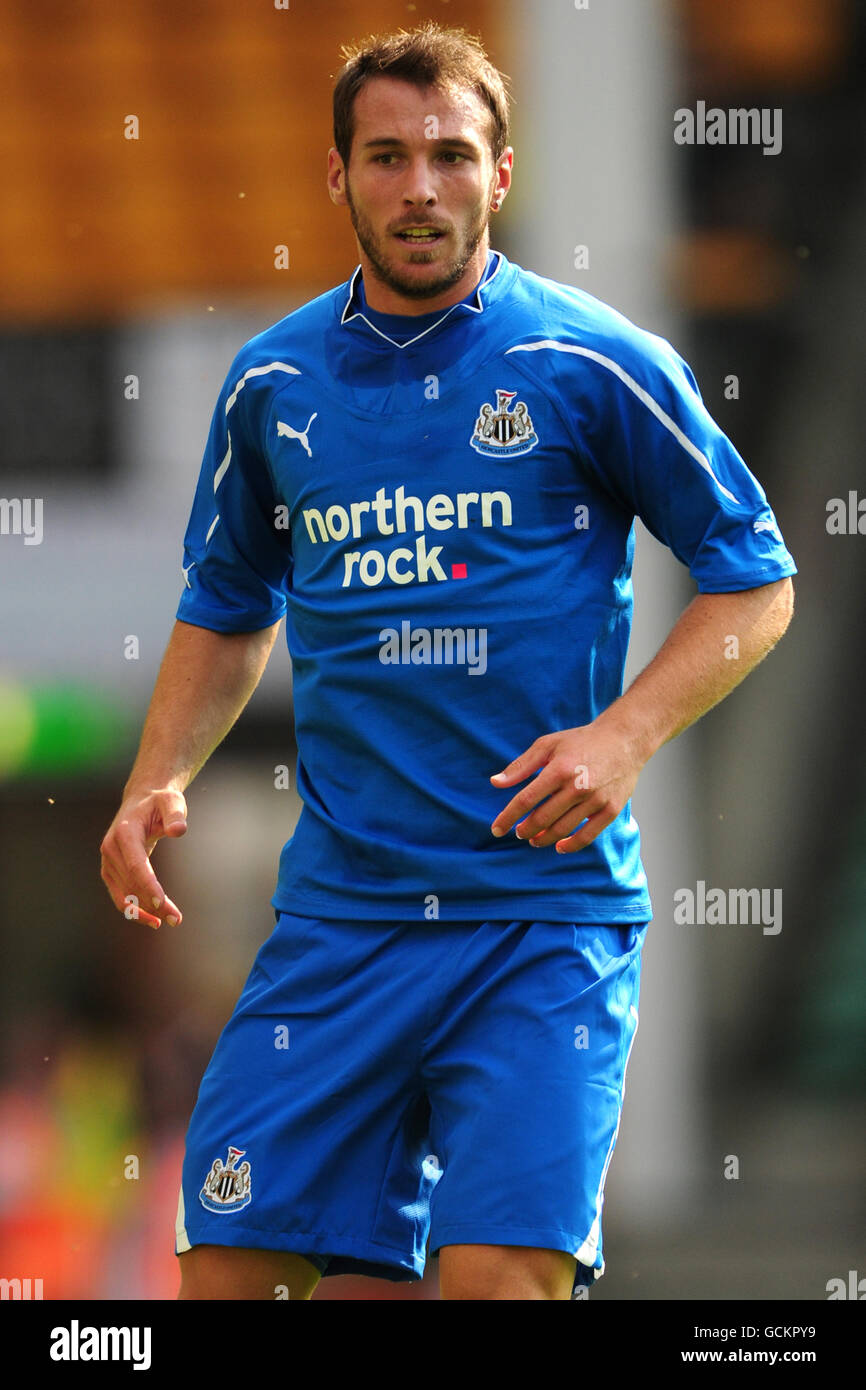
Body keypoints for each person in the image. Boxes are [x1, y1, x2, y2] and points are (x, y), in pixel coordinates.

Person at [99, 22, 796, 1301]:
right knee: (229, 1275)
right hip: (342, 922)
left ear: (500, 173)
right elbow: (227, 598)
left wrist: (622, 736)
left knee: (487, 1284)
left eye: (449, 155)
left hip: (540, 917)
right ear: (338, 177)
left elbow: (755, 582)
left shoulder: (593, 363)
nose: (420, 186)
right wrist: (157, 775)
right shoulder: (270, 385)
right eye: (386, 157)